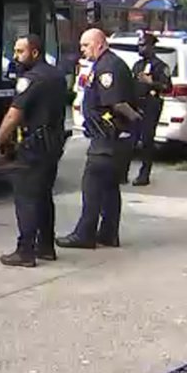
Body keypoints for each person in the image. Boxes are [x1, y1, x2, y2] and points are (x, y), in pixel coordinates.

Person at [58, 28, 141, 249]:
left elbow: (117, 103)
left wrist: (131, 124)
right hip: (113, 137)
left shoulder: (108, 67)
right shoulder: (108, 63)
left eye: (85, 46)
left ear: (99, 43)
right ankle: (108, 233)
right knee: (109, 187)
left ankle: (85, 234)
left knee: (92, 185)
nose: (82, 51)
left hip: (107, 138)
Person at [0, 35, 68, 267]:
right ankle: (46, 247)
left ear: (34, 52)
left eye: (20, 51)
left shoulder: (31, 79)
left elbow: (14, 114)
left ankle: (25, 251)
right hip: (53, 144)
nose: (15, 56)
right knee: (44, 196)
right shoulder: (57, 75)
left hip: (33, 146)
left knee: (26, 197)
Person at [124, 32, 172, 186]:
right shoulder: (137, 65)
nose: (140, 48)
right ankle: (122, 174)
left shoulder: (160, 66)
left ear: (152, 46)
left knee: (146, 141)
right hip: (135, 105)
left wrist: (152, 83)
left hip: (151, 105)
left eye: (143, 45)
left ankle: (144, 175)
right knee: (130, 140)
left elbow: (167, 87)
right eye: (139, 45)